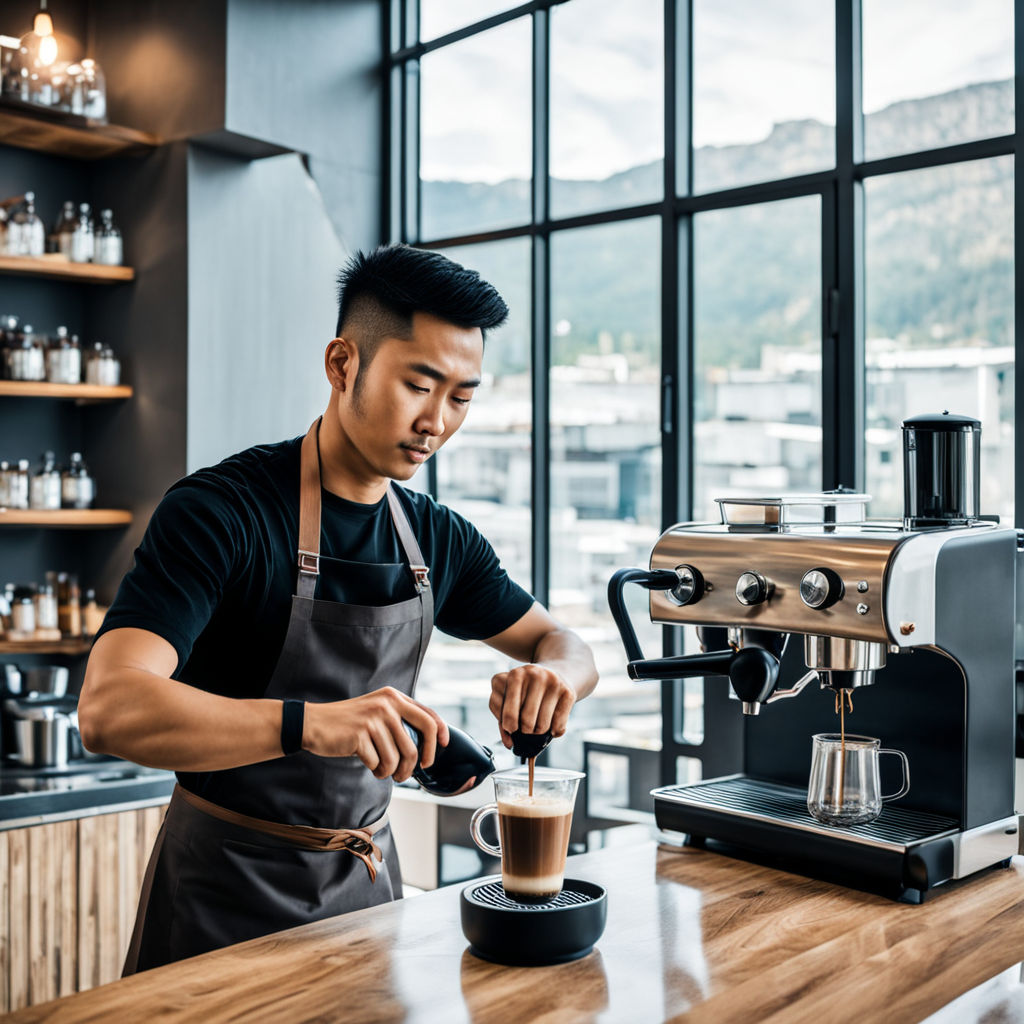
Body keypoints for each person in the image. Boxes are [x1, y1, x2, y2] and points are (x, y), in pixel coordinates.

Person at [78, 243, 599, 973]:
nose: (438, 422)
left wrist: (557, 679)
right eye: (419, 385)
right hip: (220, 907)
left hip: (366, 908)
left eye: (462, 397)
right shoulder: (222, 513)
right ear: (342, 364)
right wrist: (312, 724)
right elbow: (109, 709)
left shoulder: (439, 539)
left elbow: (563, 643)